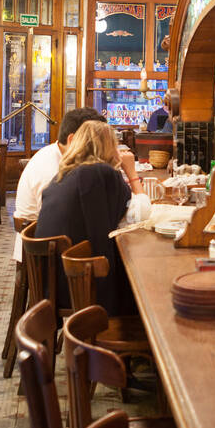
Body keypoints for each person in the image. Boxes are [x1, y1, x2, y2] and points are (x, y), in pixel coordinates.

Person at [36, 120, 144, 316]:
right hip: (81, 284)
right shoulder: (100, 173)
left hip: (52, 284)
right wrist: (132, 172)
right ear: (109, 147)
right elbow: (141, 215)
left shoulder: (63, 175)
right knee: (141, 274)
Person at [12, 106, 106, 263]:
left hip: (50, 243)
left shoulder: (58, 156)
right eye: (94, 142)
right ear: (72, 140)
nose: (97, 150)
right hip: (43, 255)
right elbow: (56, 220)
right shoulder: (51, 170)